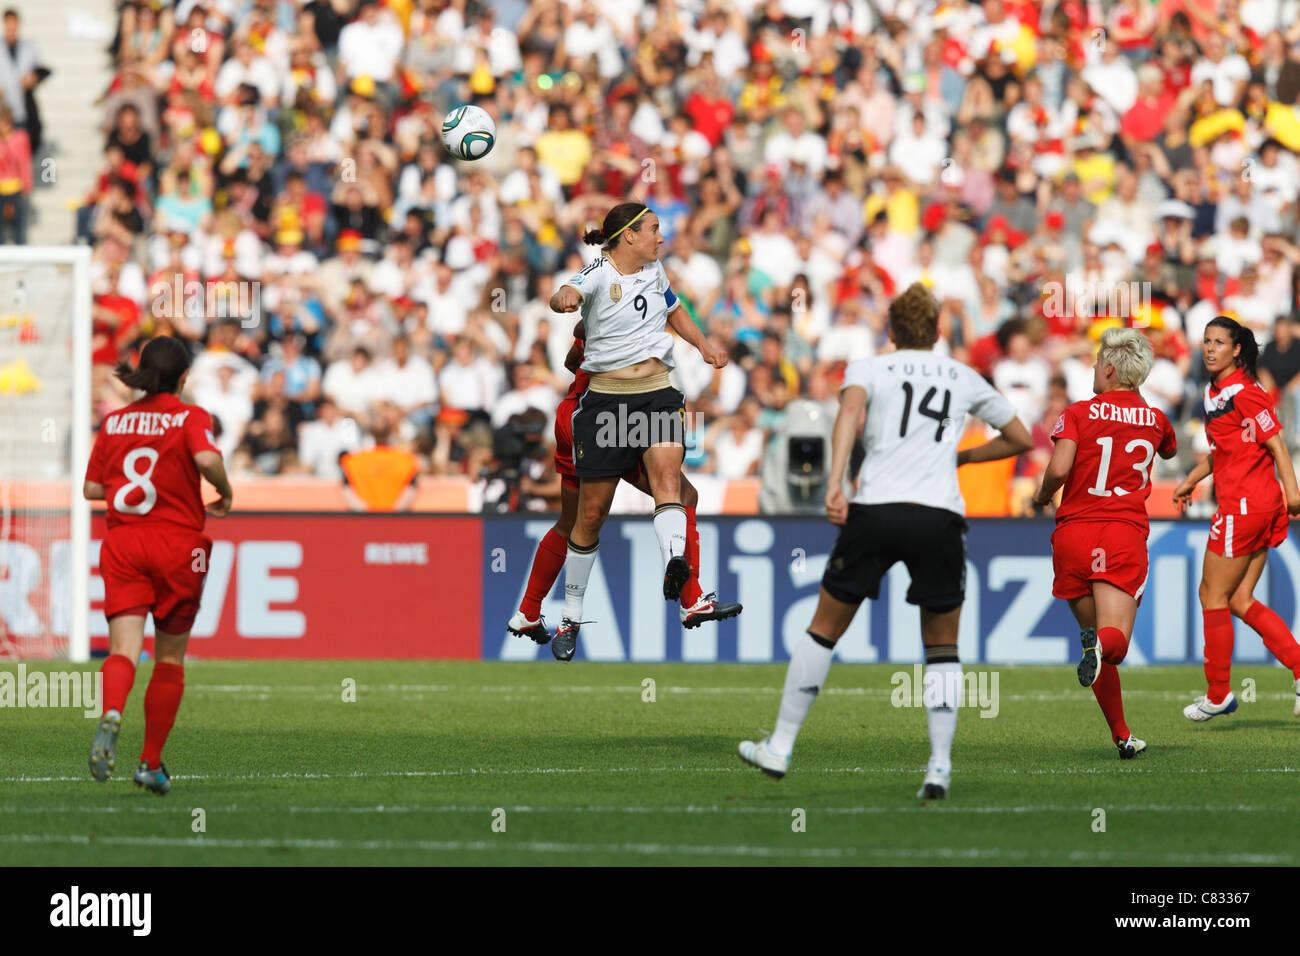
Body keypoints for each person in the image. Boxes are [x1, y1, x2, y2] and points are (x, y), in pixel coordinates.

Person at [738, 283, 1032, 799]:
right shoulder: (963, 376)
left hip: (875, 509)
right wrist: (960, 458)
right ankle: (938, 766)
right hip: (938, 516)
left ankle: (780, 746)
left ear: (892, 330)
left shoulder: (869, 368)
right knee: (942, 645)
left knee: (823, 630)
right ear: (938, 331)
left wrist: (835, 485)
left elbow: (848, 417)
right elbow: (1021, 438)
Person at [545, 201, 729, 662]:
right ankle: (570, 617)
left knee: (669, 481)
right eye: (654, 230)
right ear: (629, 235)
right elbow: (567, 290)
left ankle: (676, 569)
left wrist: (704, 345)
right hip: (606, 400)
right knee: (591, 516)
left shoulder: (656, 269)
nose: (661, 237)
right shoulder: (599, 273)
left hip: (658, 392)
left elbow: (674, 309)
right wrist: (562, 299)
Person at [507, 319, 741, 647]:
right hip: (599, 418)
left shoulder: (618, 299)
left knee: (577, 520)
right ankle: (688, 600)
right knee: (654, 501)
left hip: (586, 413)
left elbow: (572, 360)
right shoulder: (628, 298)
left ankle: (529, 611)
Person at [85, 336, 234, 795]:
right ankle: (149, 762)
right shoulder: (191, 416)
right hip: (176, 546)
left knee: (122, 651)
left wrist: (136, 493)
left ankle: (112, 711)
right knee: (169, 657)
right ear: (184, 378)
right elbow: (207, 457)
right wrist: (224, 492)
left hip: (125, 542)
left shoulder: (114, 421)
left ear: (143, 375)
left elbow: (93, 489)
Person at [1031, 328, 1178, 759]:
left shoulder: (1078, 412)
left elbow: (1059, 469)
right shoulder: (1156, 418)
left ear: (1110, 369)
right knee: (1112, 644)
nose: (1094, 369)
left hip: (1073, 534)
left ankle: (1122, 735)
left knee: (1092, 635)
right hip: (1120, 533)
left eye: (1097, 362)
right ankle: (1100, 655)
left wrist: (1041, 496)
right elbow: (1168, 450)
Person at [1173, 316, 1300, 721]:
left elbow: (1277, 444)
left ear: (1237, 349)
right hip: (1258, 507)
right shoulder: (1217, 392)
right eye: (1206, 341)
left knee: (1211, 595)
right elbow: (1227, 448)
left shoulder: (1244, 392)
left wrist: (1294, 493)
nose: (1210, 349)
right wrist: (1192, 478)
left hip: (1244, 507)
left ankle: (1218, 692)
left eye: (1219, 342)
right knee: (1241, 600)